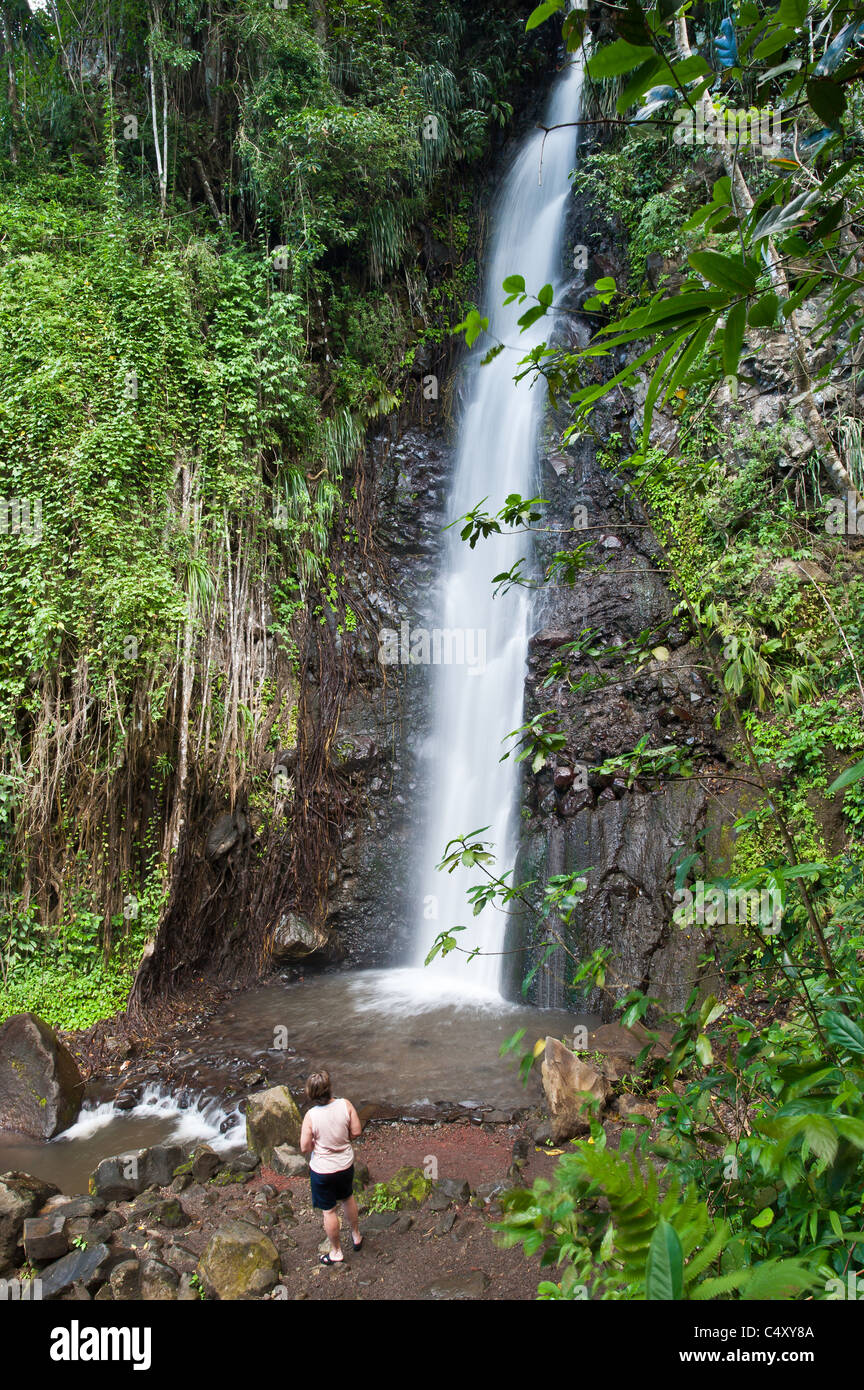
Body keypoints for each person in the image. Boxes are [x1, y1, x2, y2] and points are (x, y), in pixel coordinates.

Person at [299, 1069, 363, 1265]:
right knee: (348, 1197)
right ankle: (356, 1235)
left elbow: (304, 1147)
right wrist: (344, 1139)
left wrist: (316, 1145)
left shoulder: (311, 1116)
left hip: (323, 1171)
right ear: (330, 1088)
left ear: (311, 1094)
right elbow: (356, 1132)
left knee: (329, 1211)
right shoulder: (345, 1105)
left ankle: (336, 1251)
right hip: (345, 1164)